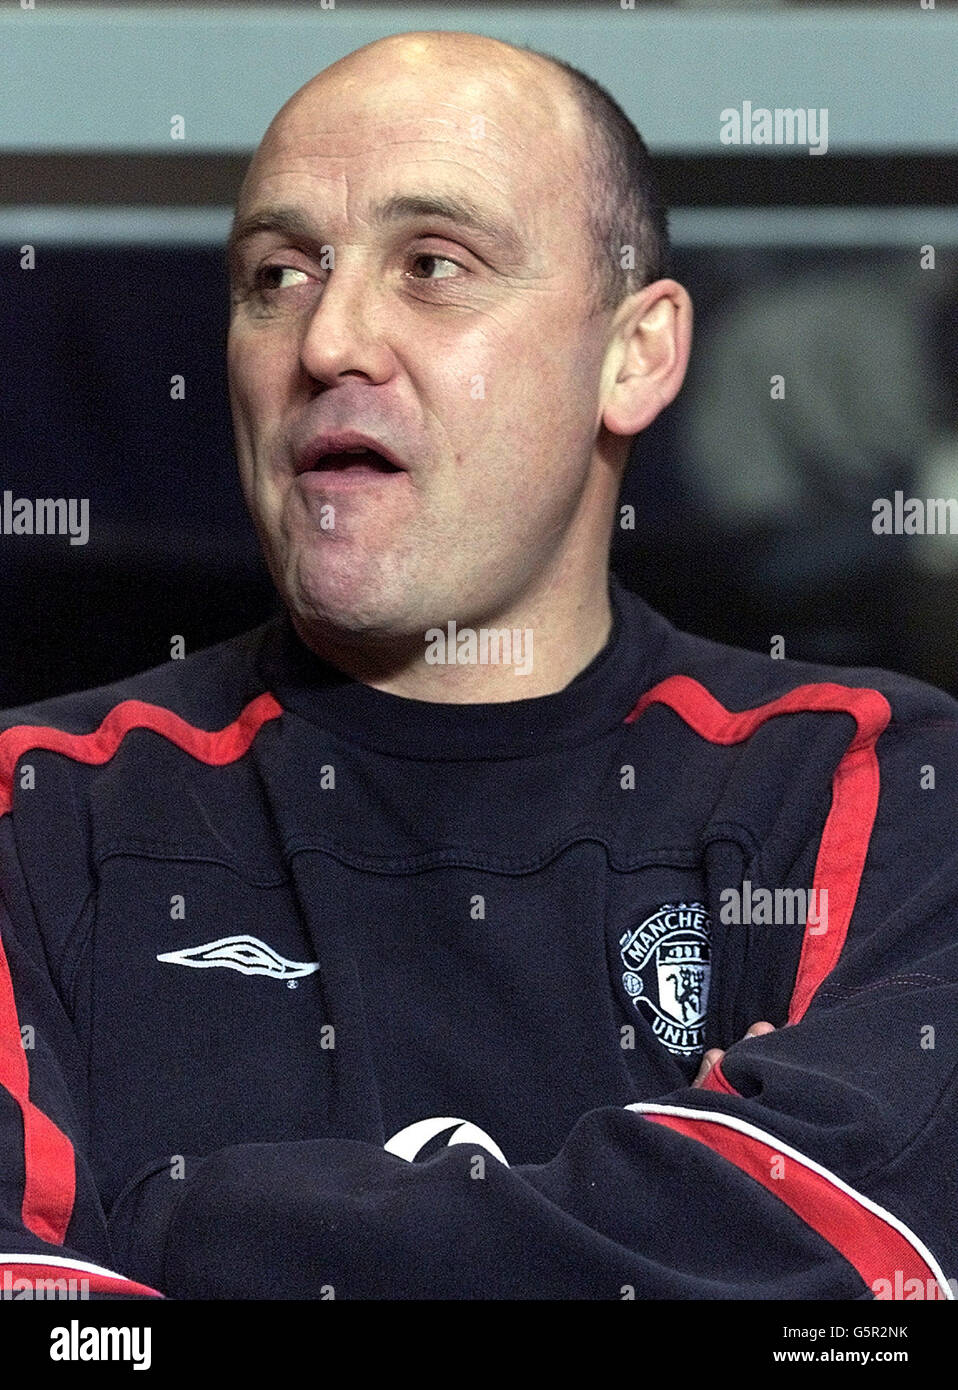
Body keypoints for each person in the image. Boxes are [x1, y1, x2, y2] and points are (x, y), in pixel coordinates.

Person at [1, 29, 956, 1301]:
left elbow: (856, 1275)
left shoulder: (870, 782)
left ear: (635, 355)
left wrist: (190, 1219)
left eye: (435, 266)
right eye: (276, 275)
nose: (330, 340)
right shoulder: (37, 810)